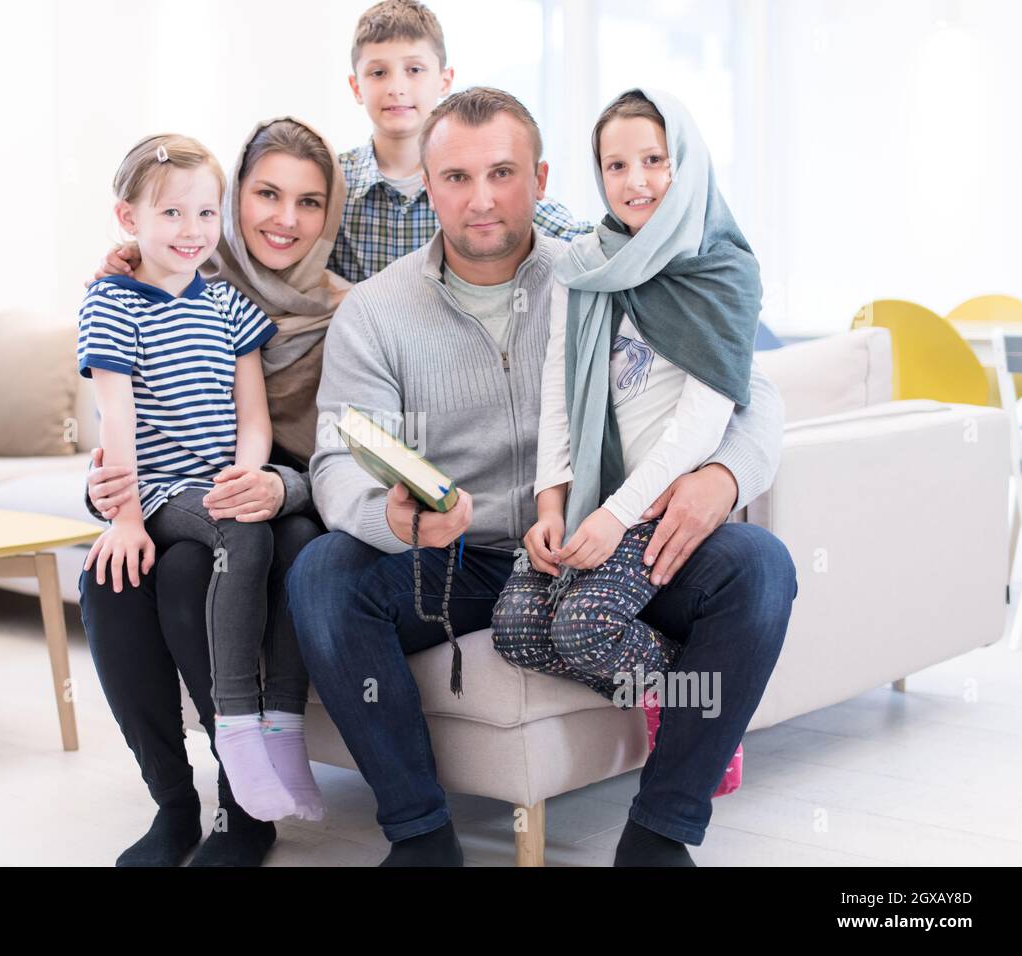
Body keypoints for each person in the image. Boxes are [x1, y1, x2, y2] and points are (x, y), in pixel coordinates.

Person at [285, 87, 797, 867]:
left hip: (606, 545)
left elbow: (751, 396)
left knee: (761, 568)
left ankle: (660, 833)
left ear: (544, 177)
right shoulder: (375, 313)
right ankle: (421, 837)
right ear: (427, 185)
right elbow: (334, 460)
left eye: (503, 173)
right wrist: (394, 522)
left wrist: (724, 475)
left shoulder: (606, 270)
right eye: (456, 177)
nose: (481, 199)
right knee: (323, 573)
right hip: (456, 557)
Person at [491, 87, 771, 802]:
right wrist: (550, 504)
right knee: (517, 628)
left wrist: (616, 513)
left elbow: (705, 424)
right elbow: (560, 394)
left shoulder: (723, 270)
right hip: (586, 499)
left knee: (583, 630)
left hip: (649, 504)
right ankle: (688, 684)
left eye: (655, 159)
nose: (636, 180)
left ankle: (696, 711)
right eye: (616, 165)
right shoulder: (585, 264)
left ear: (686, 162)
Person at [81, 118, 348, 866]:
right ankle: (175, 802)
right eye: (265, 194)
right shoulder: (144, 288)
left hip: (304, 500)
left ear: (331, 213)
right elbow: (121, 414)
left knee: (206, 565)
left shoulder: (348, 311)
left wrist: (267, 479)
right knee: (111, 576)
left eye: (308, 201)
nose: (284, 218)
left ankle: (244, 799)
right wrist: (116, 503)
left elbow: (341, 447)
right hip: (188, 493)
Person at [330, 0, 590, 283]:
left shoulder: (484, 182)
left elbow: (581, 245)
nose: (397, 88)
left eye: (414, 70)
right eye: (378, 73)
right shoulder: (334, 181)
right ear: (356, 87)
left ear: (444, 80)